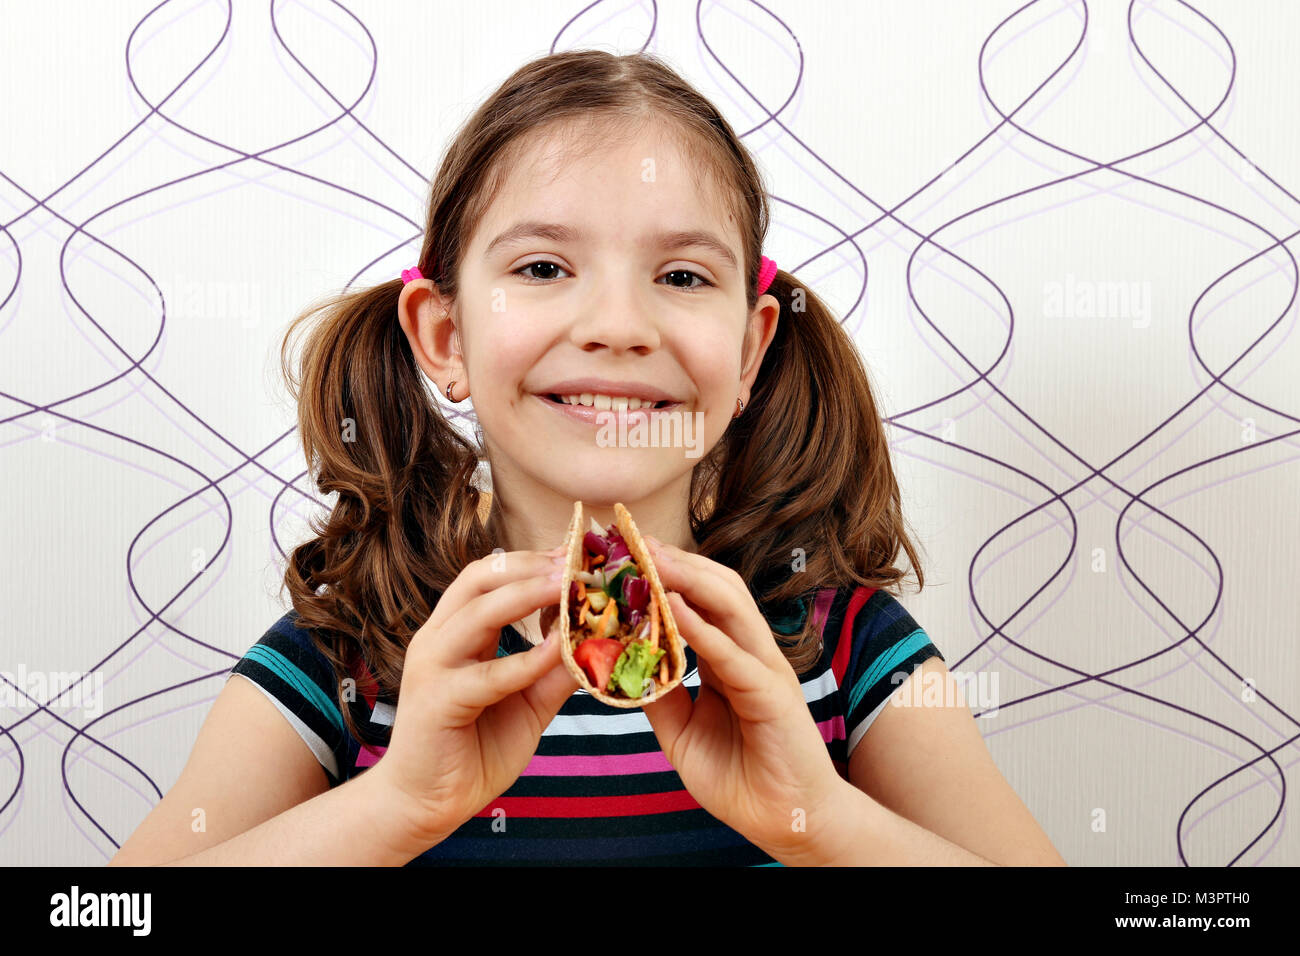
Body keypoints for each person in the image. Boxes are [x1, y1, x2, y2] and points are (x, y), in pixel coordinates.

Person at [109, 49, 1065, 867]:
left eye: (682, 277)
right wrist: (392, 808)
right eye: (542, 269)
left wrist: (821, 822)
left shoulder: (846, 649)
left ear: (747, 351)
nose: (617, 326)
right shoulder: (351, 651)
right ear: (443, 337)